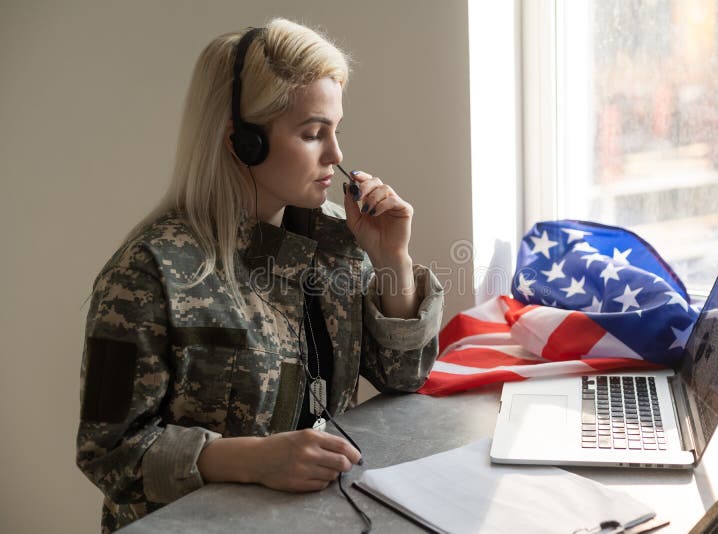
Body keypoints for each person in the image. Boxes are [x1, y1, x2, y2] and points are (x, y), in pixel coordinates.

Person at [76, 18, 444, 532]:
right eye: (314, 133)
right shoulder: (148, 274)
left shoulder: (335, 243)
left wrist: (392, 261)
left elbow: (405, 378)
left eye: (336, 131)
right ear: (242, 143)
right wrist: (253, 459)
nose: (336, 156)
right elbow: (108, 452)